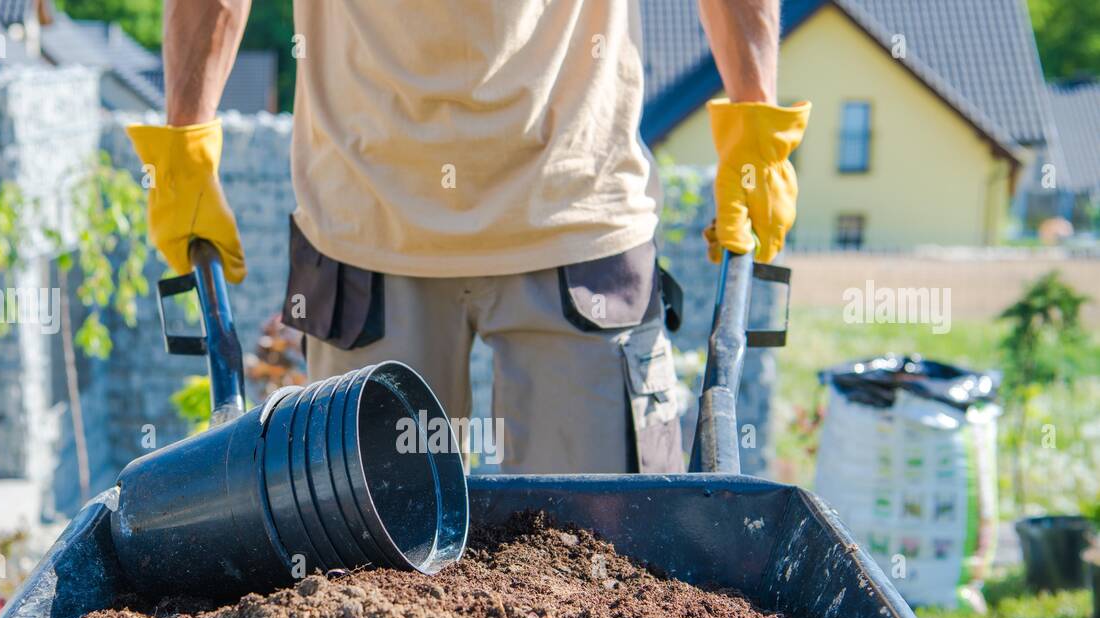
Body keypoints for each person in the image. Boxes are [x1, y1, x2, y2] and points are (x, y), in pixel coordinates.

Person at [128, 0, 809, 473]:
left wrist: (755, 115)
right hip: (368, 237)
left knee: (608, 576)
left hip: (576, 218)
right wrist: (183, 139)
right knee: (367, 589)